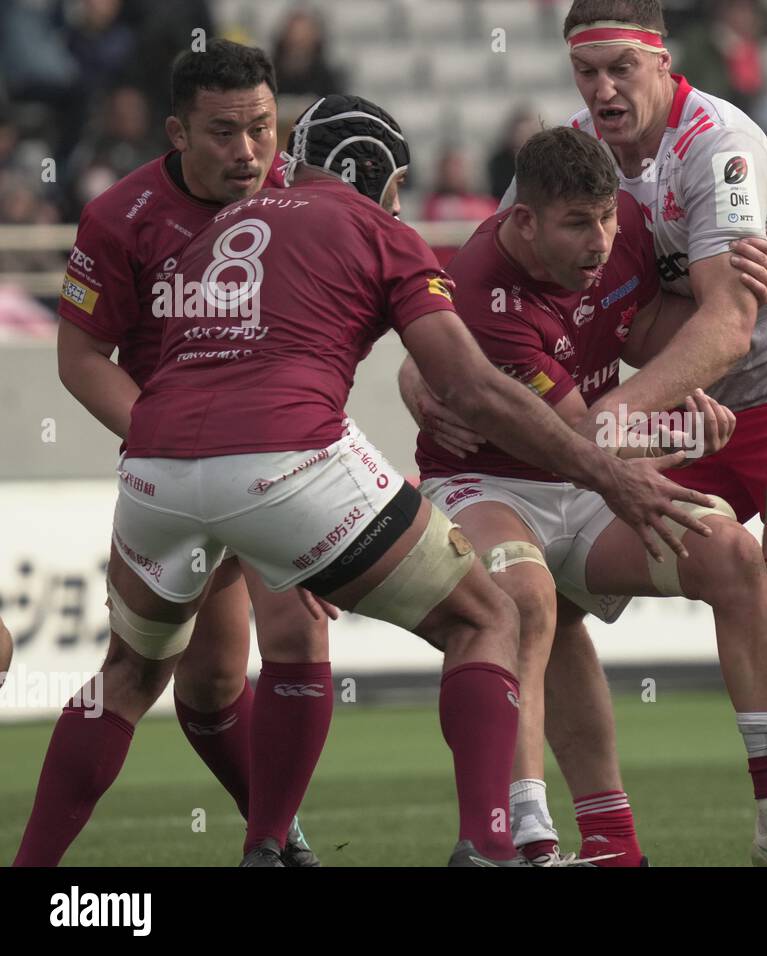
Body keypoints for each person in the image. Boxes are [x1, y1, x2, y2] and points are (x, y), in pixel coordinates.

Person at [16, 91, 712, 869]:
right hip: (283, 457)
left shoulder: (214, 229)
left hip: (153, 464)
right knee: (484, 616)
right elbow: (472, 387)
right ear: (392, 182)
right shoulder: (384, 232)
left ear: (295, 160)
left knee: (126, 675)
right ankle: (488, 846)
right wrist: (609, 477)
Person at [498, 0, 767, 867]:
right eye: (584, 71)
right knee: (546, 599)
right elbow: (505, 269)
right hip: (688, 412)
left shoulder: (721, 145)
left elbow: (728, 329)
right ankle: (607, 839)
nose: (600, 89)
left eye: (618, 70)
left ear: (663, 62)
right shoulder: (570, 158)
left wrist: (604, 423)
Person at [401, 126, 767, 864]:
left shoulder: (624, 226)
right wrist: (689, 432)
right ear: (523, 220)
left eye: (605, 217)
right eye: (578, 223)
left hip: (586, 484)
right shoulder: (484, 293)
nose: (601, 239)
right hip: (495, 480)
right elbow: (582, 442)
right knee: (527, 603)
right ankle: (530, 842)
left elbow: (645, 325)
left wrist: (741, 287)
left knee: (733, 558)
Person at [38, 39, 323, 867]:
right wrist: (168, 440)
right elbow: (80, 356)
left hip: (281, 457)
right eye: (224, 133)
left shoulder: (303, 202)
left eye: (263, 130)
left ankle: (274, 840)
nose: (247, 152)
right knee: (153, 673)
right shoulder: (120, 217)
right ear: (176, 132)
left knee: (229, 673)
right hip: (176, 472)